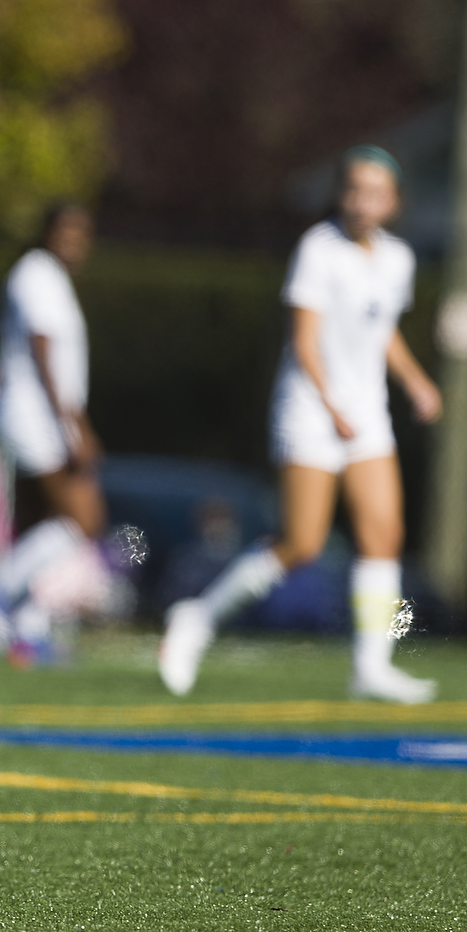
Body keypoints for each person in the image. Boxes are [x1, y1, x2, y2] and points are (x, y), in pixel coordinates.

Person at [160, 145, 441, 704]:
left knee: (383, 535)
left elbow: (382, 331)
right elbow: (305, 340)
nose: (363, 201)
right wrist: (332, 405)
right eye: (354, 189)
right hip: (310, 410)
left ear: (393, 202)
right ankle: (198, 617)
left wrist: (415, 381)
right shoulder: (318, 249)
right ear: (341, 194)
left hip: (365, 414)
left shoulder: (397, 260)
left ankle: (371, 666)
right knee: (302, 542)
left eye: (375, 192)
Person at [0, 204, 112, 664]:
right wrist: (74, 426)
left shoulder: (50, 276)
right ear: (47, 232)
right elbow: (43, 351)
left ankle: (29, 629)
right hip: (34, 416)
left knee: (44, 524)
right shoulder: (37, 273)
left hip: (39, 416)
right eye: (67, 231)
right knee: (83, 518)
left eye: (83, 234)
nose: (75, 242)